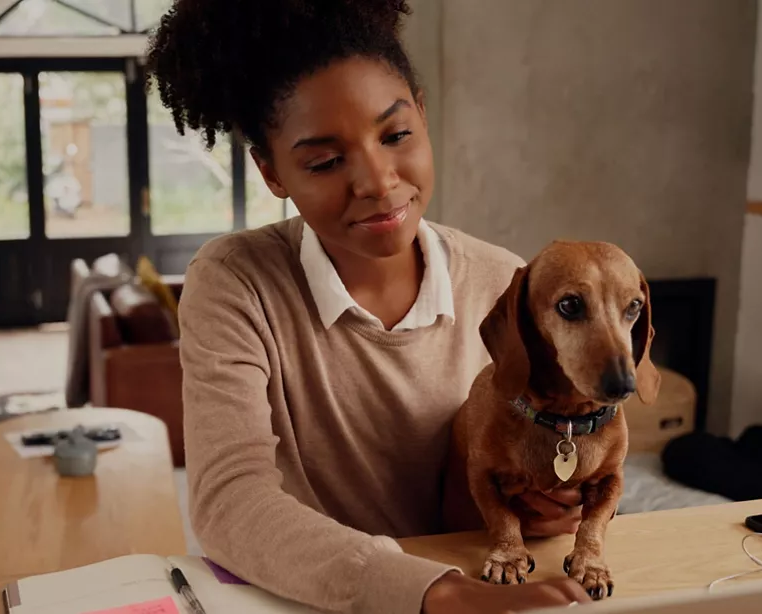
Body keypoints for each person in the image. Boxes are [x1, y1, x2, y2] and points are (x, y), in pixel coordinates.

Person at [150, 1, 592, 612]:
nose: (378, 181)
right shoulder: (235, 282)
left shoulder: (505, 282)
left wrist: (541, 502)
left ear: (424, 114)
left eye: (396, 135)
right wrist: (435, 593)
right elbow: (229, 502)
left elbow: (537, 453)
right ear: (271, 172)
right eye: (326, 162)